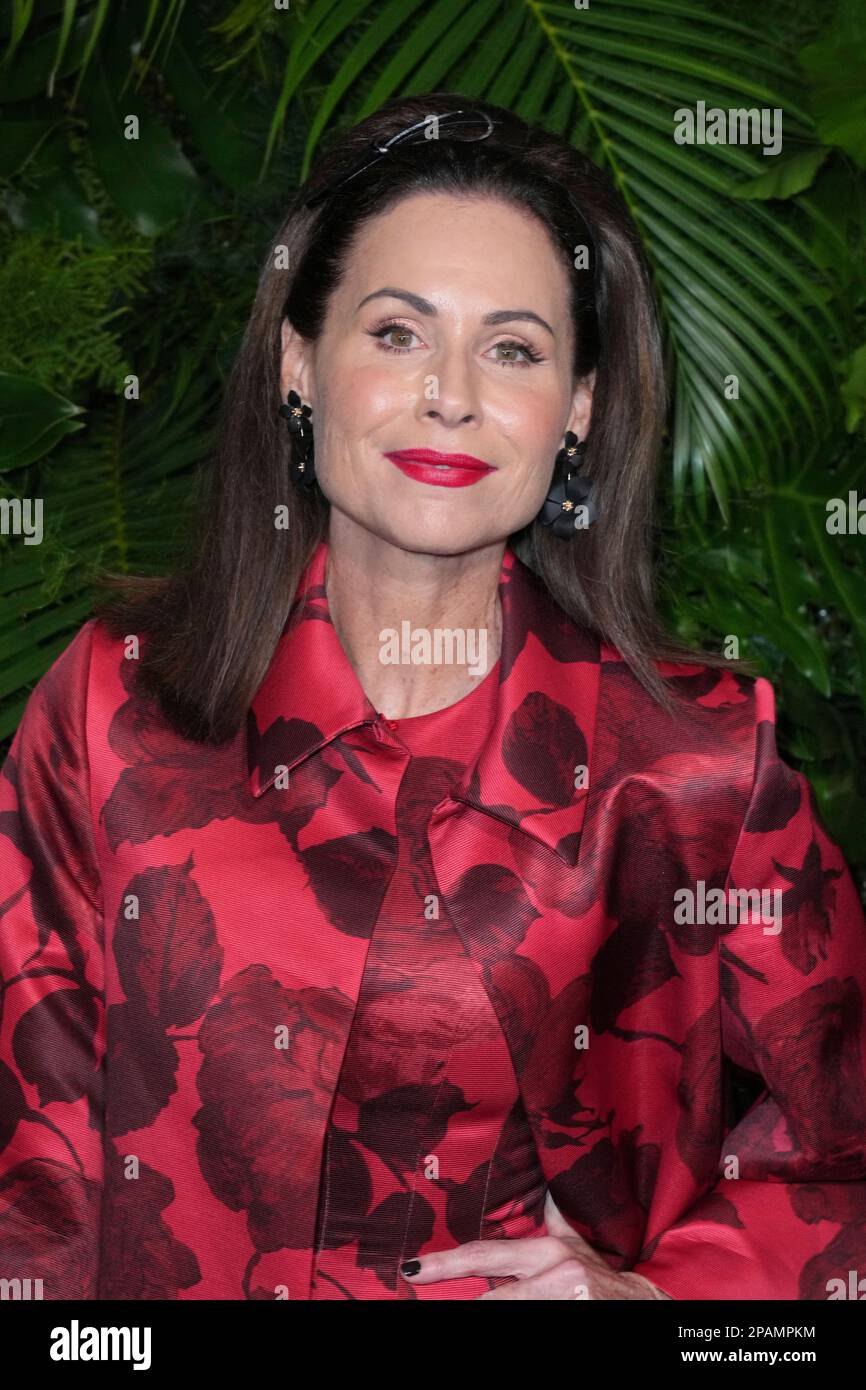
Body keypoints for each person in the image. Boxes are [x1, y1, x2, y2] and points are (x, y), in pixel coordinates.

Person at [1, 92, 864, 1302]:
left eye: (512, 349)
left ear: (579, 408)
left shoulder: (697, 762)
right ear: (300, 362)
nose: (449, 394)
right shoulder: (116, 702)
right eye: (397, 332)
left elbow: (839, 1150)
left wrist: (670, 1303)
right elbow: (28, 1155)